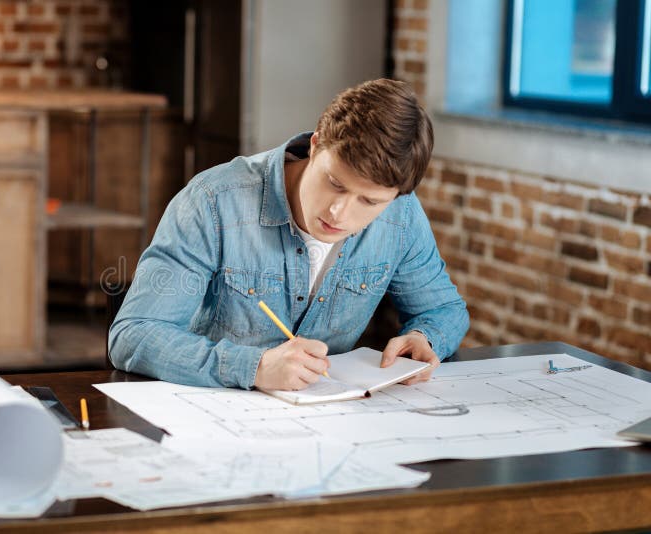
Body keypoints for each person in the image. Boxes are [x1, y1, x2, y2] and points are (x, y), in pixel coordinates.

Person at [108, 78, 469, 391]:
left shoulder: (401, 216)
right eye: (334, 183)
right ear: (315, 146)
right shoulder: (213, 202)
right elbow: (134, 335)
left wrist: (424, 338)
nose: (339, 213)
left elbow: (443, 309)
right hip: (211, 416)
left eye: (369, 201)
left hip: (329, 423)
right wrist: (255, 367)